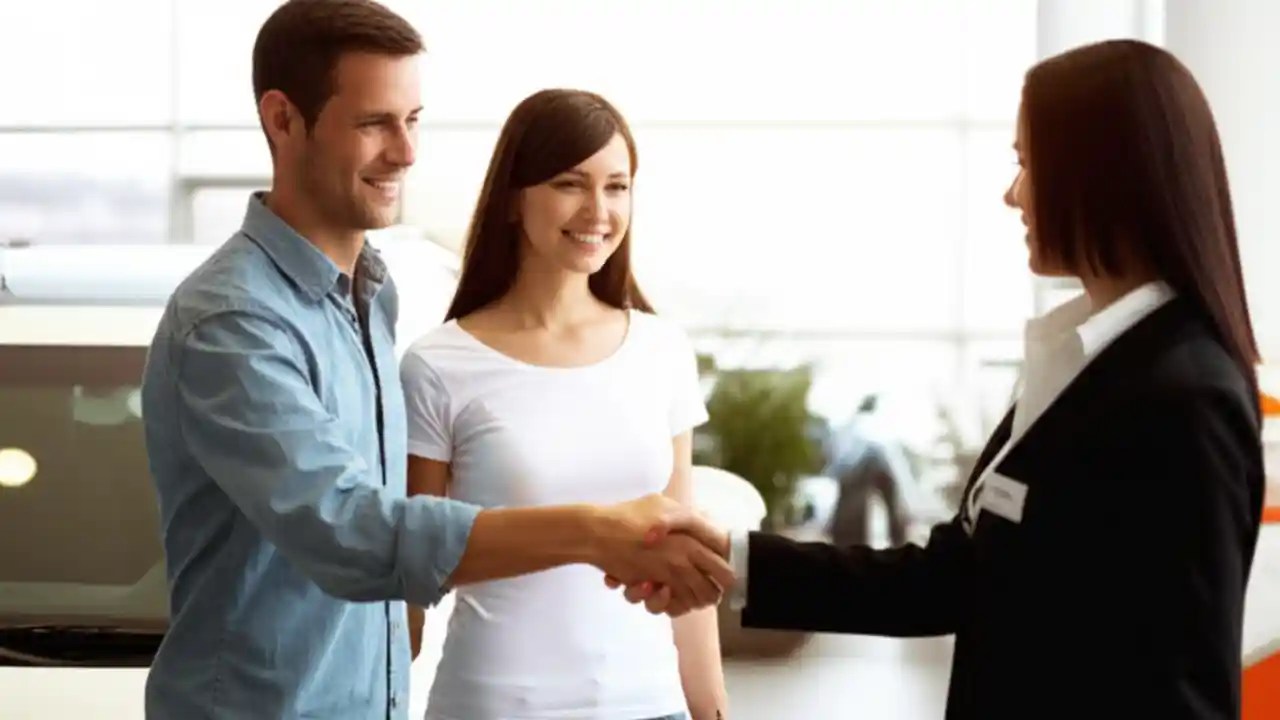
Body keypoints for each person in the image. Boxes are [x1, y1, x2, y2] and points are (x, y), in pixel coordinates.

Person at [618, 39, 1266, 719]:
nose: (1012, 195)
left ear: (1101, 173)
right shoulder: (1086, 361)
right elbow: (958, 578)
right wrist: (735, 557)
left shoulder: (1185, 398)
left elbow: (1181, 681)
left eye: (1027, 164)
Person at [138, 2, 731, 719]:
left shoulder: (367, 301)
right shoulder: (234, 322)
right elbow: (353, 534)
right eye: (374, 123)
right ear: (283, 120)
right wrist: (594, 531)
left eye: (412, 120)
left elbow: (399, 606)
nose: (407, 152)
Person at [399, 88, 727, 720]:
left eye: (617, 187)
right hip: (494, 706)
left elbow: (686, 573)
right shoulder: (438, 365)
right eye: (570, 184)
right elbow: (413, 577)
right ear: (513, 199)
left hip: (649, 706)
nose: (598, 211)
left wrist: (711, 709)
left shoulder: (661, 350)